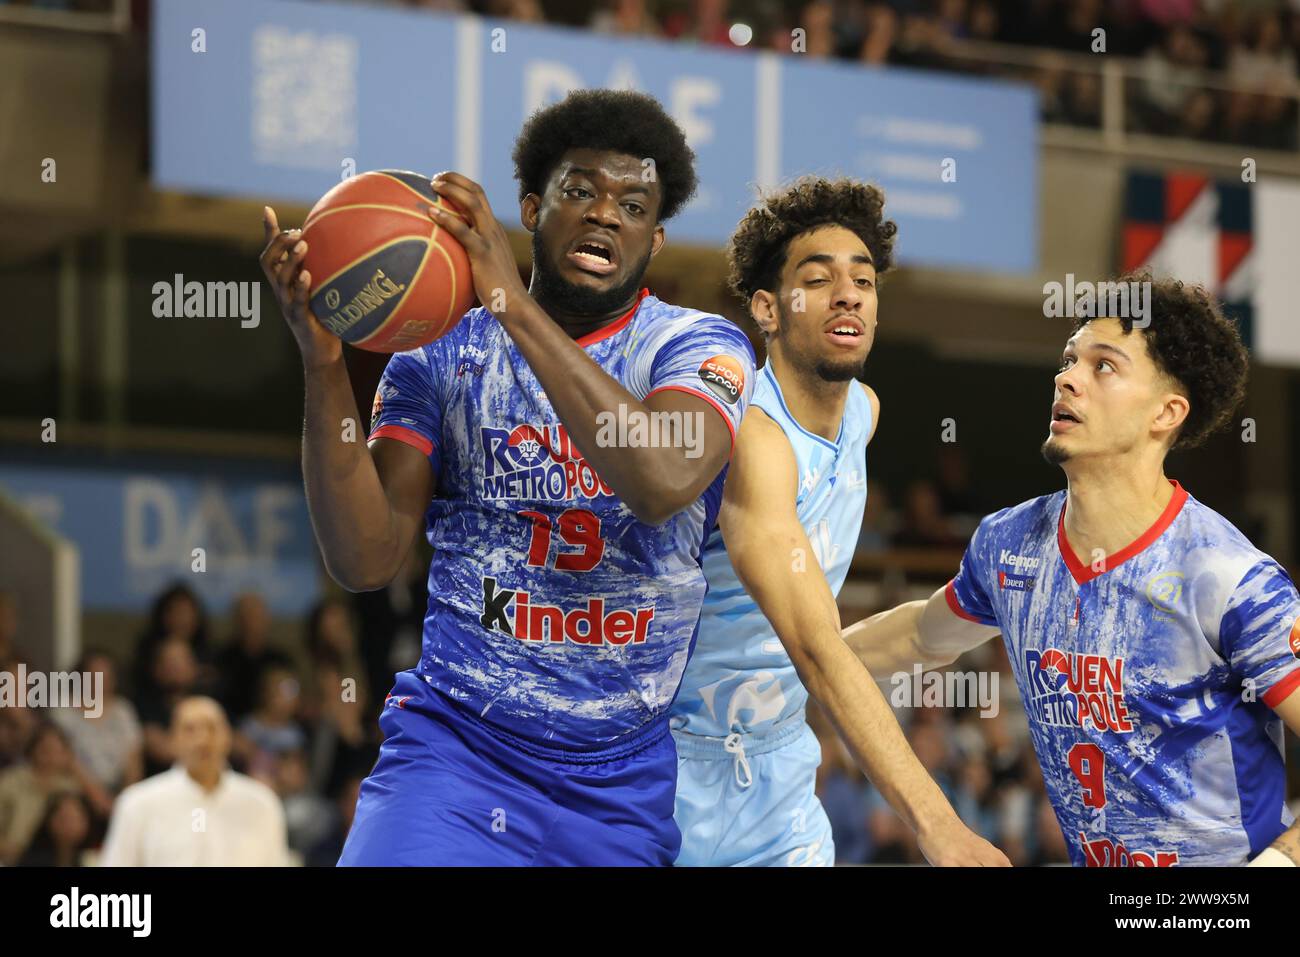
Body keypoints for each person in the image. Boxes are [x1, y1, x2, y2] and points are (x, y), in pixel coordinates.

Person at [259, 89, 756, 865]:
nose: (603, 214)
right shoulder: (439, 353)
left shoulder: (699, 348)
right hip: (458, 752)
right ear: (530, 207)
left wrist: (514, 305)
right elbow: (364, 558)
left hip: (618, 782)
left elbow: (660, 478)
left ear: (654, 240)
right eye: (579, 190)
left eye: (631, 204)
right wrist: (323, 363)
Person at [847, 276, 1300, 867]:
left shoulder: (1230, 578)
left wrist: (1283, 859)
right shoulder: (1009, 544)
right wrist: (787, 657)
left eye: (1103, 366)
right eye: (1069, 359)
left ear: (1166, 413)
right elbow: (916, 638)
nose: (1066, 378)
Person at [670, 178, 1005, 867]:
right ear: (768, 307)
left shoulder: (864, 414)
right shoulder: (750, 435)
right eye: (817, 280)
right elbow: (819, 649)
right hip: (671, 770)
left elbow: (816, 648)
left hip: (781, 777)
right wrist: (938, 824)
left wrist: (975, 617)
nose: (848, 293)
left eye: (864, 280)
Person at [100, 696, 288, 866]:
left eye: (212, 728)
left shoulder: (261, 804)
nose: (202, 740)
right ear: (173, 740)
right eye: (189, 730)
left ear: (228, 737)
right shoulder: (138, 803)